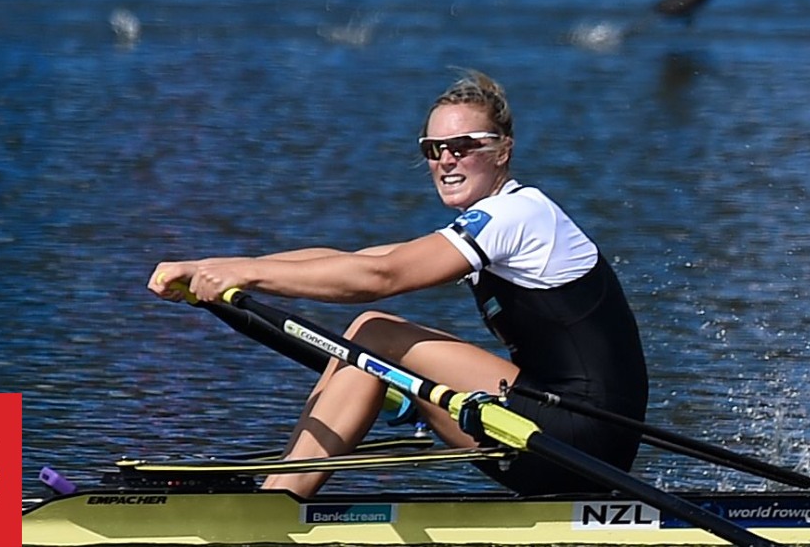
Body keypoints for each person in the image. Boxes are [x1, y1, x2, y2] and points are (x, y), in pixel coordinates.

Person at [148, 69, 648, 497]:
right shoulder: (488, 223)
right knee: (368, 342)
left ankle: (279, 501)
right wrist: (213, 266)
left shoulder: (518, 214)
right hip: (549, 426)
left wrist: (246, 275)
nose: (446, 160)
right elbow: (353, 261)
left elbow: (381, 277)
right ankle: (280, 491)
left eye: (463, 146)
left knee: (375, 334)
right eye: (434, 149)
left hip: (584, 441)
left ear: (502, 151)